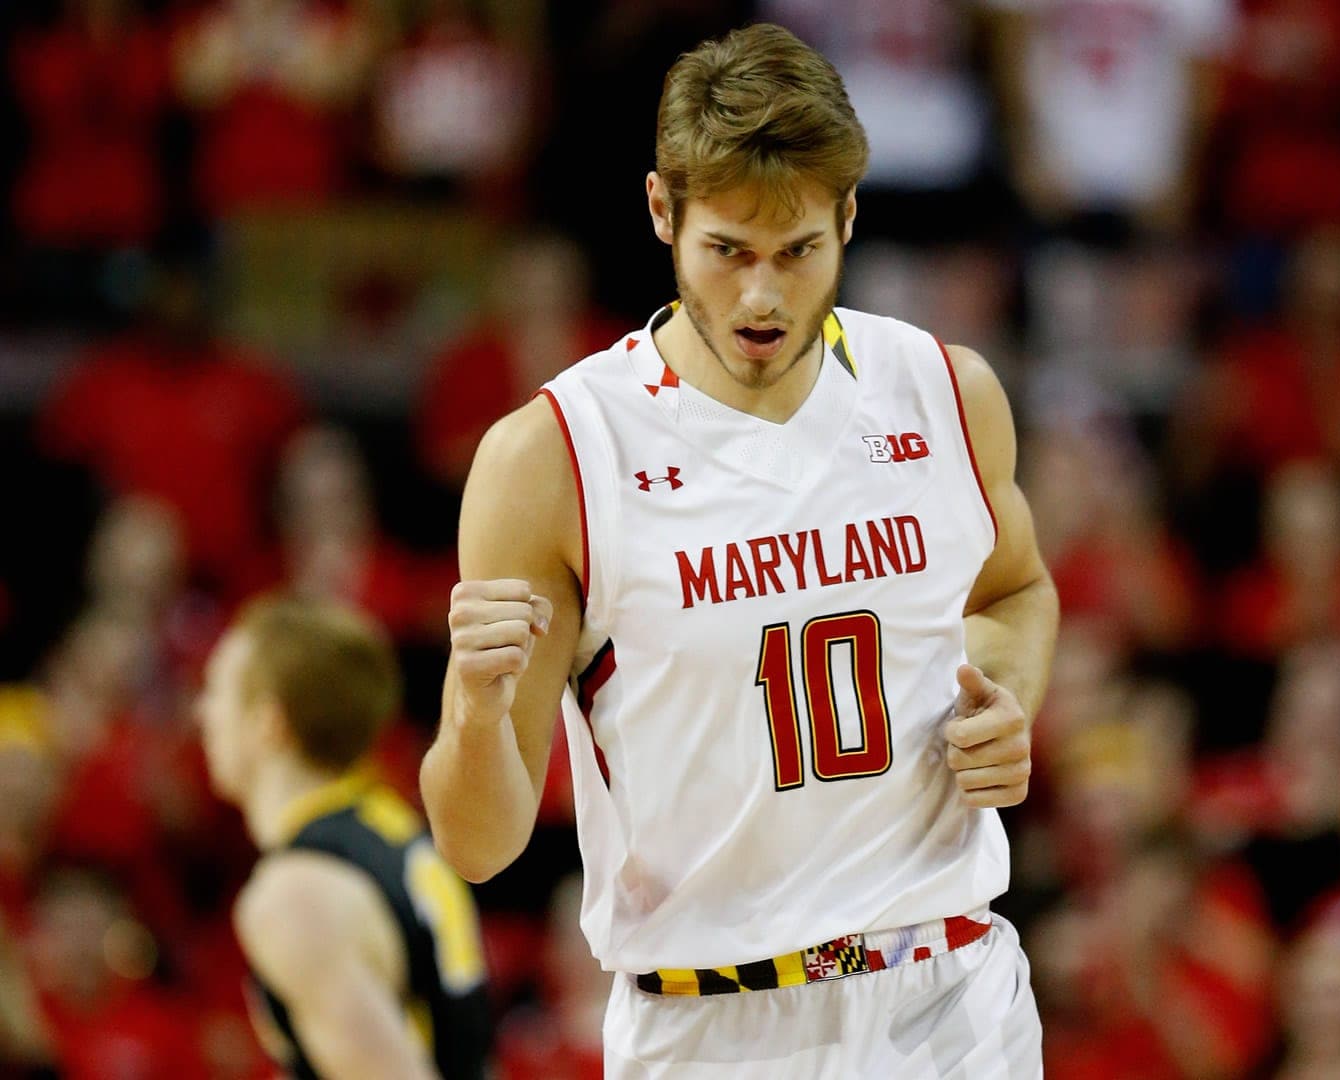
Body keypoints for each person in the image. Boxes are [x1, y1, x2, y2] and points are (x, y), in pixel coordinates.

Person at [420, 22, 1058, 1078]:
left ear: (848, 218)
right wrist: (475, 710)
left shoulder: (944, 392)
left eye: (798, 251)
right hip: (709, 1024)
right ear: (661, 211)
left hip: (949, 995)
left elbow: (1016, 590)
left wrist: (1008, 695)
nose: (762, 296)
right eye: (728, 252)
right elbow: (477, 846)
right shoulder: (557, 456)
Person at [196, 597, 492, 1079]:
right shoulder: (389, 823)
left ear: (269, 722)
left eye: (215, 691)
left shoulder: (296, 894)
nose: (202, 712)